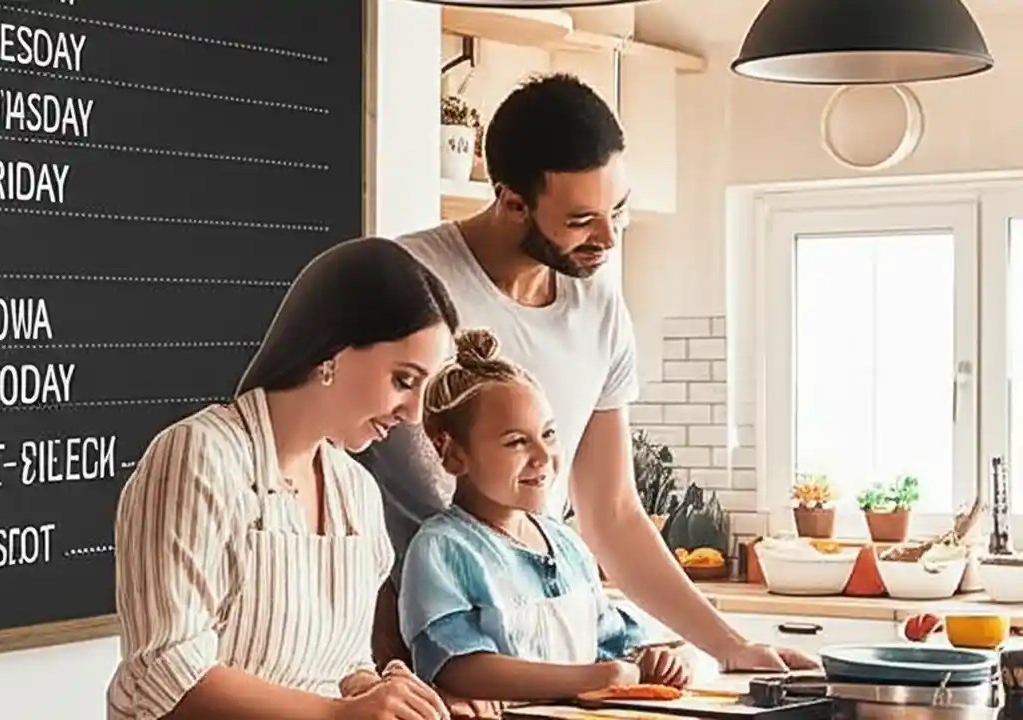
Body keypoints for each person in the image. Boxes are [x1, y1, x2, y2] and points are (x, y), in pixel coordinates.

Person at [354, 73, 818, 699]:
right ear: (511, 200)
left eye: (618, 210)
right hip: (408, 660)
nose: (608, 237)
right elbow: (320, 467)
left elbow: (613, 513)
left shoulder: (599, 308)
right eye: (581, 220)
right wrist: (377, 669)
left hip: (537, 664)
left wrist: (729, 644)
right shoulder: (406, 282)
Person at [106, 237, 459, 720]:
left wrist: (381, 694)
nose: (414, 413)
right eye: (403, 380)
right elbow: (167, 673)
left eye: (424, 386)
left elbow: (341, 665)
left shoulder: (355, 492)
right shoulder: (198, 456)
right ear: (332, 350)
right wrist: (339, 715)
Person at [398, 328, 694, 704]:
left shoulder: (567, 543)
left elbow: (611, 642)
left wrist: (652, 659)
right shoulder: (442, 548)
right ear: (454, 454)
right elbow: (458, 666)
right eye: (516, 441)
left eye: (549, 434)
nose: (543, 456)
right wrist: (590, 677)